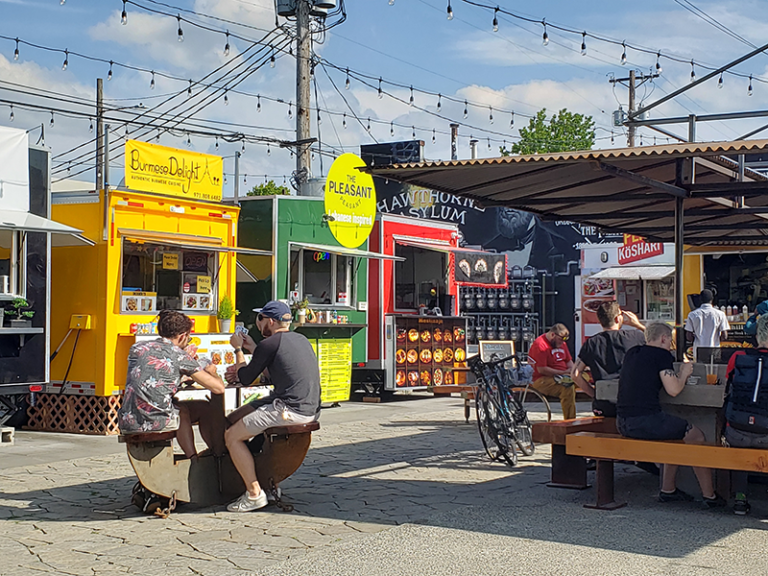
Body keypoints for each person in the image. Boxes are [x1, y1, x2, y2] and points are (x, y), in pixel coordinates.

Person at [224, 301, 321, 512]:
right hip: (308, 407)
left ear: (269, 321)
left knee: (231, 435)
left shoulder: (270, 344)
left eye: (260, 319)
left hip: (289, 409)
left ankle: (254, 493)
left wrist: (239, 349)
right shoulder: (300, 339)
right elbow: (275, 367)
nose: (258, 324)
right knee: (234, 417)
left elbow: (246, 378)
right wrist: (253, 348)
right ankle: (260, 477)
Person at [617, 322, 725, 508]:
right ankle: (710, 495)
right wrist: (684, 373)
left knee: (673, 434)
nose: (670, 346)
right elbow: (673, 389)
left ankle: (668, 489)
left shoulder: (632, 353)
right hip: (645, 420)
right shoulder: (661, 355)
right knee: (696, 436)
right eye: (670, 342)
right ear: (663, 339)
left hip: (623, 422)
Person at [118, 310, 226, 459]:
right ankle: (196, 459)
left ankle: (211, 454)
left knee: (197, 407)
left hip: (127, 419)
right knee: (184, 411)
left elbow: (154, 375)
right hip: (153, 421)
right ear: (183, 336)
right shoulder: (179, 355)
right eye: (188, 337)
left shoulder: (137, 348)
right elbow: (218, 388)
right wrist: (211, 371)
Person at [723, 314, 768, 515]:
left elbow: (728, 384)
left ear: (757, 335)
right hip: (766, 433)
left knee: (739, 445)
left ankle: (740, 498)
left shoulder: (737, 356)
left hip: (737, 430)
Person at [571, 301, 645, 417]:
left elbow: (575, 374)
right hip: (632, 401)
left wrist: (596, 394)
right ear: (617, 319)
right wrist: (638, 325)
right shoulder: (635, 337)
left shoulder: (591, 343)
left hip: (604, 404)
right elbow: (663, 342)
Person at [527, 323, 576, 420]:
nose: (562, 343)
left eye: (565, 340)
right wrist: (564, 373)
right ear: (553, 335)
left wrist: (574, 371)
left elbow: (568, 360)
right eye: (560, 340)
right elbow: (542, 369)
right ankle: (570, 421)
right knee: (567, 388)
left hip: (564, 375)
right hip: (542, 379)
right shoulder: (540, 345)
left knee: (585, 378)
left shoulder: (562, 343)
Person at [685, 289, 729, 357]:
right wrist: (716, 339)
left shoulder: (692, 315)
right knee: (714, 367)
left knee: (699, 367)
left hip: (698, 350)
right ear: (712, 300)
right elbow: (724, 336)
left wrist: (697, 340)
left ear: (700, 300)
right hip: (715, 349)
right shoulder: (720, 314)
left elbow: (688, 336)